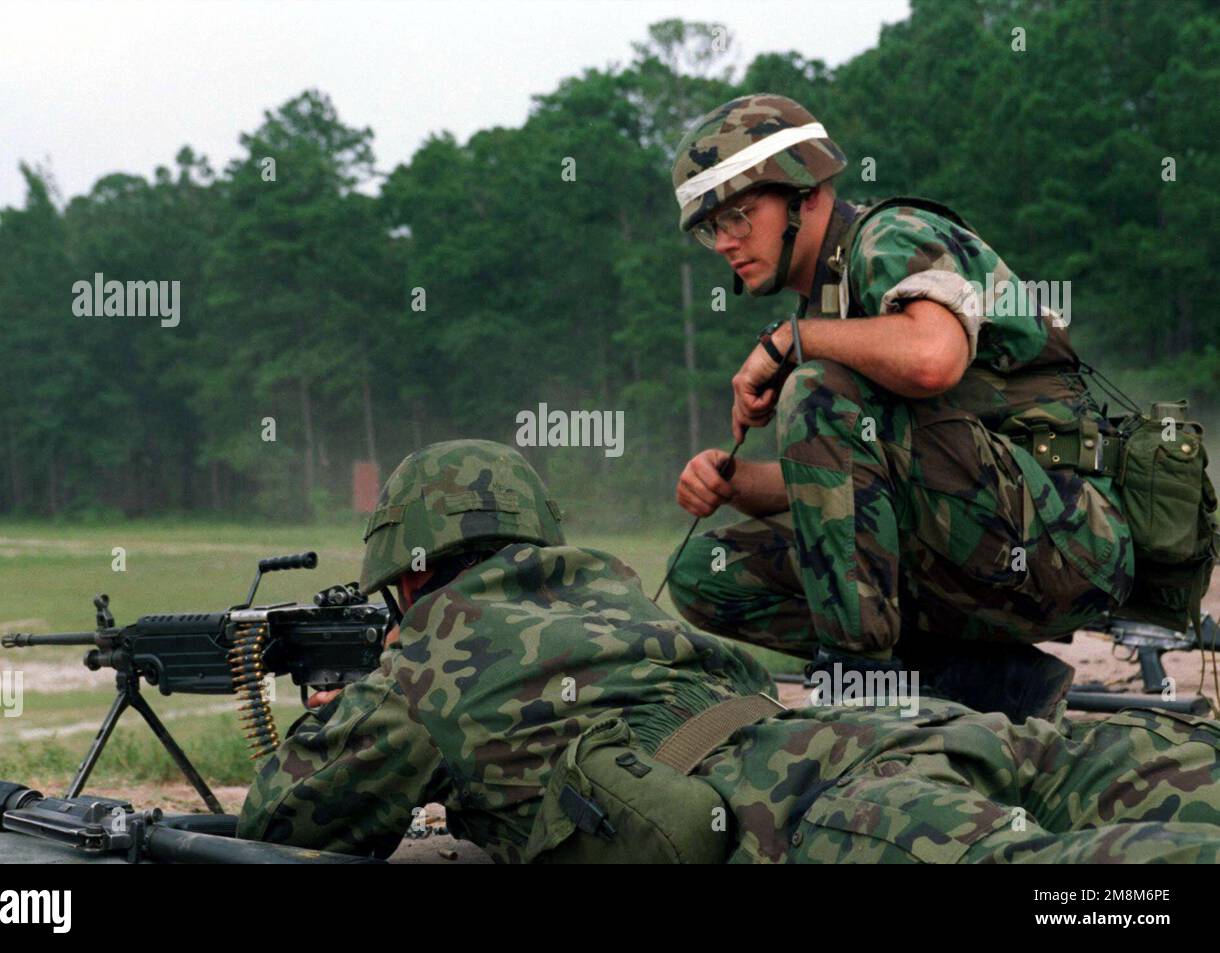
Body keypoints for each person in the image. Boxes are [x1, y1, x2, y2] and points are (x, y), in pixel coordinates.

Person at [237, 440, 1220, 863]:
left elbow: (286, 820)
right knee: (1173, 777)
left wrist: (340, 715)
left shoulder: (427, 658)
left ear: (406, 574)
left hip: (831, 817)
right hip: (911, 738)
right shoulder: (613, 590)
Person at [663, 94, 1134, 719]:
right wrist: (737, 483)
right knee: (702, 570)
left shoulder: (888, 238)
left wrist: (790, 343)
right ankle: (989, 682)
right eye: (709, 229)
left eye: (739, 217)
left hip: (1070, 544)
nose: (723, 244)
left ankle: (862, 691)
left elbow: (932, 358)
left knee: (817, 389)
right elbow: (859, 474)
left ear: (804, 195)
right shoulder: (828, 305)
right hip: (980, 541)